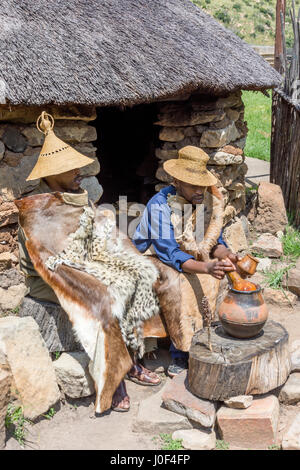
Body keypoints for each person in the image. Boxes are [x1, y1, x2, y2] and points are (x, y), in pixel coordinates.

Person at [18, 112, 160, 413]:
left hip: (80, 267)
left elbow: (102, 235)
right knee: (105, 298)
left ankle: (132, 360)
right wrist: (96, 279)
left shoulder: (76, 198)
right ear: (52, 176)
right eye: (71, 169)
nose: (79, 172)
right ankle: (116, 378)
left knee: (138, 277)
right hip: (50, 280)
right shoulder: (37, 210)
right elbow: (51, 263)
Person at [133, 146, 240, 377]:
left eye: (202, 184)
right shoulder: (158, 206)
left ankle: (208, 336)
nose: (200, 190)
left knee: (225, 279)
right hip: (151, 257)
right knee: (179, 283)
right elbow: (170, 253)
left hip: (189, 254)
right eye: (193, 185)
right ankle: (180, 353)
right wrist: (206, 266)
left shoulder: (202, 202)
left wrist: (228, 256)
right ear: (176, 181)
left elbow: (214, 241)